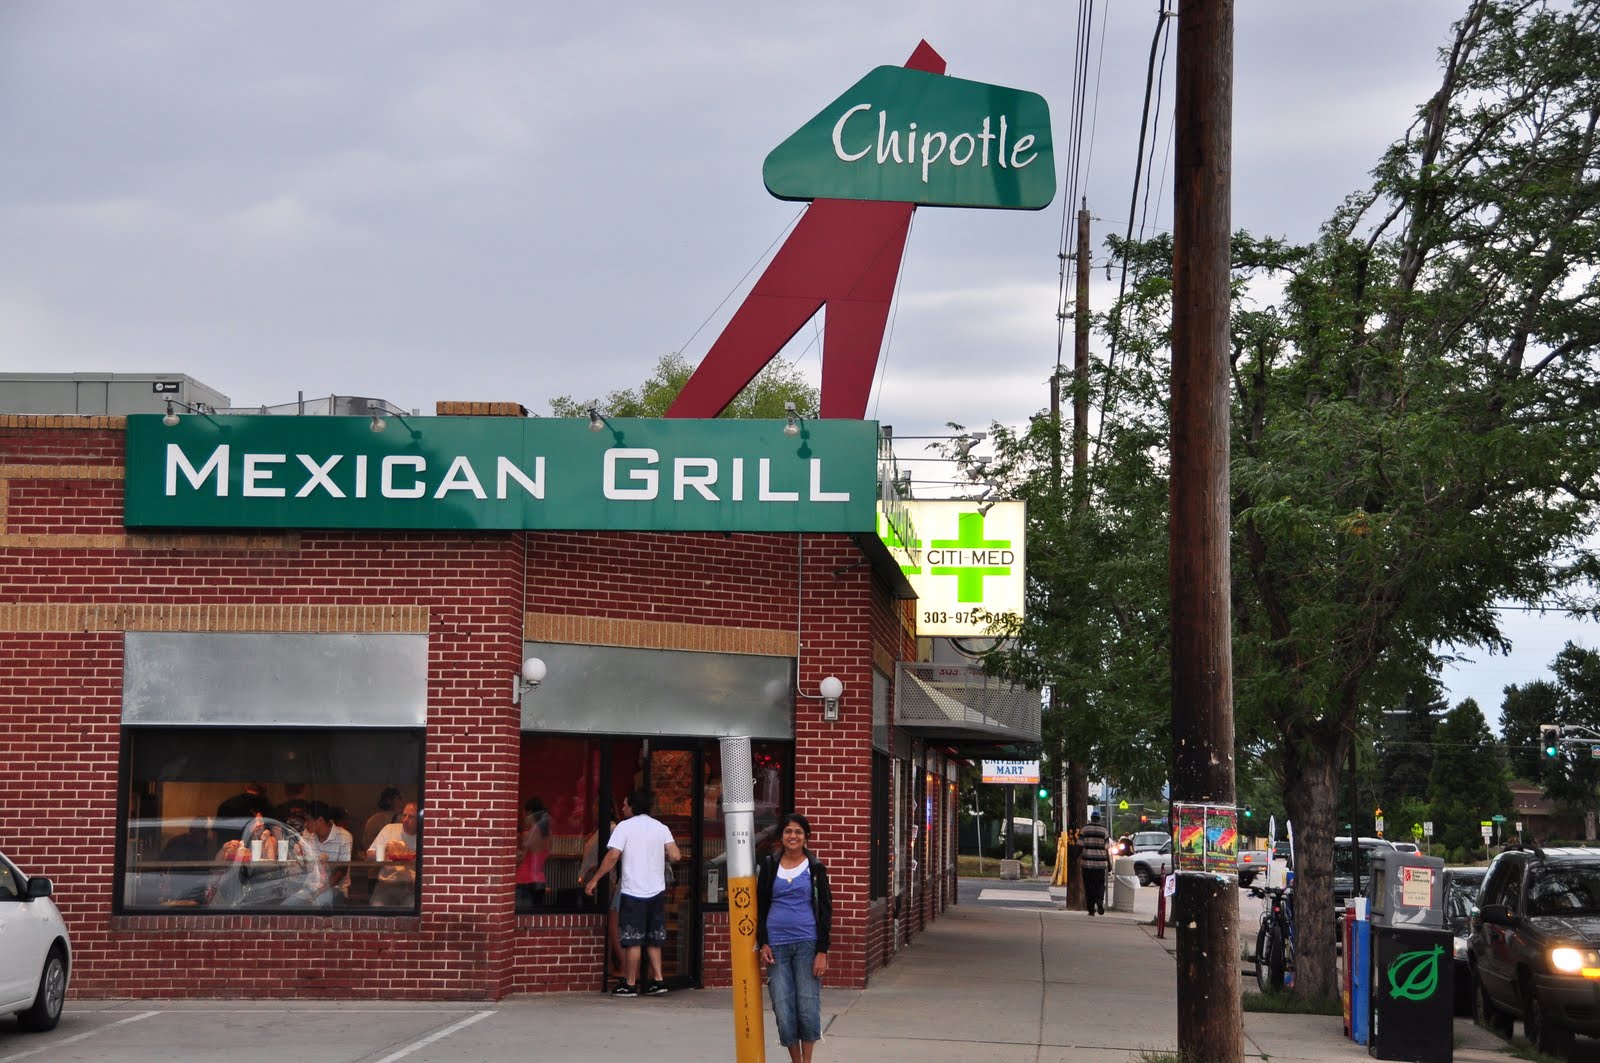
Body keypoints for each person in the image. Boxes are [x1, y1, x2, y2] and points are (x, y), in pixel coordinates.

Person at [584, 790, 679, 997]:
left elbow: (613, 856)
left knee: (632, 939)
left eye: (625, 804)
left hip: (633, 891)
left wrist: (595, 879)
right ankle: (658, 980)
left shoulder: (624, 827)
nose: (623, 808)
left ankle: (630, 983)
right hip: (656, 891)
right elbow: (676, 855)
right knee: (654, 938)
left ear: (633, 806)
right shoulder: (660, 827)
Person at [756, 812, 832, 1063]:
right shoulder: (769, 865)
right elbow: (761, 907)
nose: (793, 836)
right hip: (776, 946)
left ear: (806, 837)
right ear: (781, 836)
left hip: (807, 944)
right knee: (783, 1007)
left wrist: (822, 951)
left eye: (798, 832)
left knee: (808, 1007)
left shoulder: (815, 868)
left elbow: (825, 909)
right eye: (788, 831)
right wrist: (763, 941)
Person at [367, 801, 419, 907]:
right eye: (404, 815)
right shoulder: (390, 829)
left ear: (420, 820)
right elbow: (369, 855)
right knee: (377, 907)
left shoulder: (425, 835)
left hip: (411, 888)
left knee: (414, 907)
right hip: (386, 885)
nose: (406, 820)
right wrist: (386, 851)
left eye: (411, 817)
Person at [303, 801, 351, 905]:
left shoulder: (344, 836)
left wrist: (317, 893)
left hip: (335, 890)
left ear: (320, 820)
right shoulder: (307, 835)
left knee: (319, 905)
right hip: (309, 889)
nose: (305, 824)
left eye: (308, 820)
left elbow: (341, 871)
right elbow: (304, 866)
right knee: (287, 906)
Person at [516, 797, 550, 910]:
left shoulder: (529, 833)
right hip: (540, 879)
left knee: (523, 916)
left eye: (523, 813)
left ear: (529, 812)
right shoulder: (546, 833)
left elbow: (520, 858)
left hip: (524, 880)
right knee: (536, 915)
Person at [1079, 809, 1111, 916]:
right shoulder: (1104, 830)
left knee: (1088, 886)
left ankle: (1091, 909)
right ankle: (1099, 900)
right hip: (1101, 864)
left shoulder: (1084, 829)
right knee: (1100, 885)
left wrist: (1075, 858)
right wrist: (1109, 864)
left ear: (1091, 818)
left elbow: (1079, 846)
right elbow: (1106, 849)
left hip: (1087, 864)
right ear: (1099, 819)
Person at [363, 786, 404, 852]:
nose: (402, 801)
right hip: (382, 855)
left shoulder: (373, 819)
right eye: (399, 798)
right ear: (389, 800)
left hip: (374, 855)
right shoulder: (400, 818)